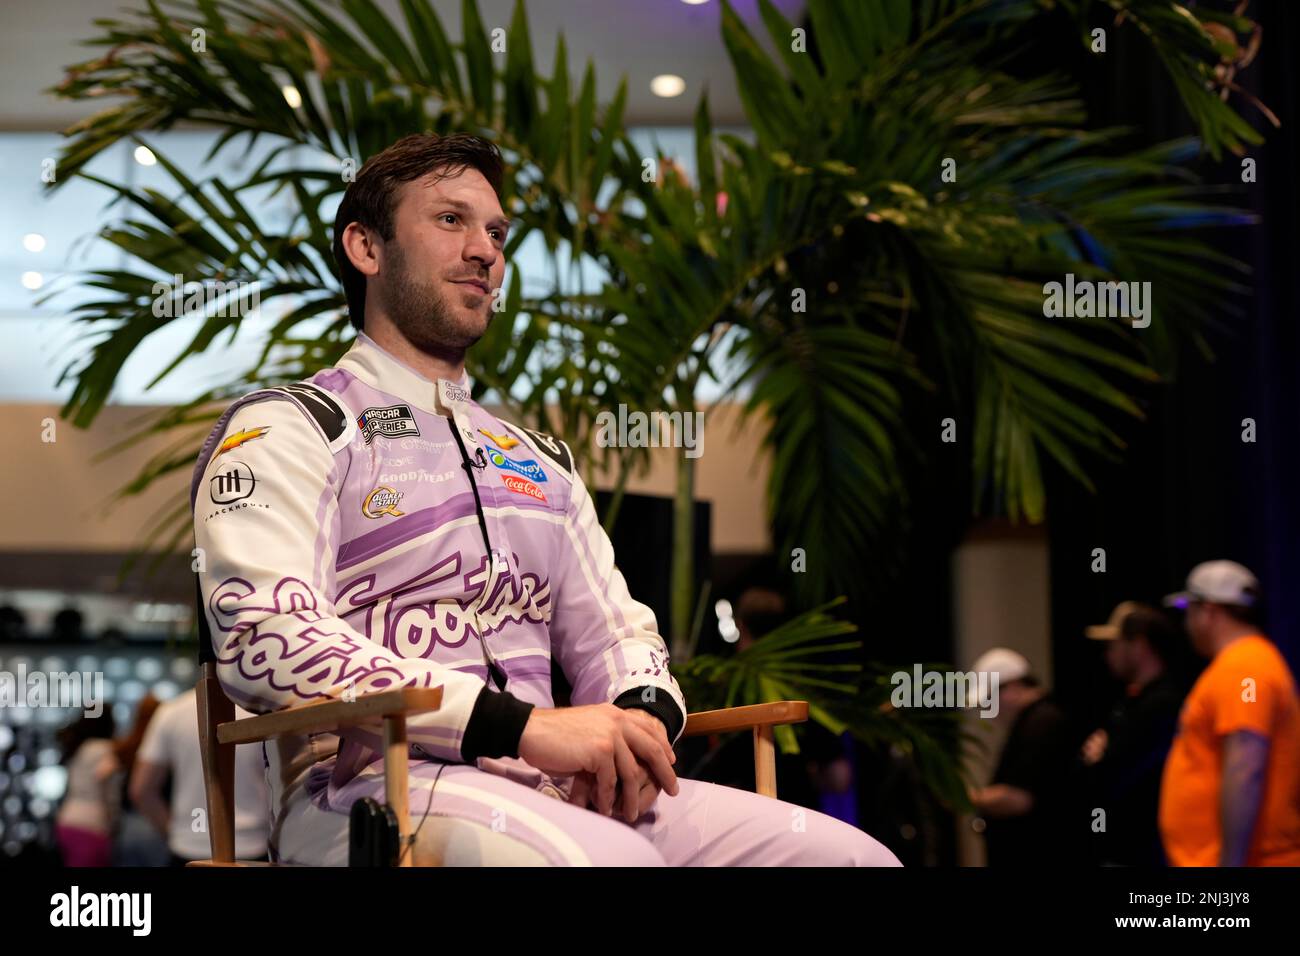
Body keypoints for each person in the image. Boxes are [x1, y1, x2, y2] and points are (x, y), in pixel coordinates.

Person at [189, 132, 899, 867]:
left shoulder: (539, 462)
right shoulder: (292, 427)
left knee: (852, 860)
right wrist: (518, 726)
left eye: (496, 231)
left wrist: (637, 723)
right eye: (451, 220)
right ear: (366, 248)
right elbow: (261, 632)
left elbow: (617, 634)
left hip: (557, 787)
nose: (485, 250)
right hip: (369, 786)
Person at [1159, 561, 1300, 866]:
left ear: (1208, 612)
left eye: (1189, 612)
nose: (1186, 624)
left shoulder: (1245, 669)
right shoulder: (1243, 665)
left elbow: (1245, 769)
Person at [1080, 602, 1185, 866]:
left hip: (1147, 852)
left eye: (1114, 645)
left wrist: (1102, 757)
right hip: (1123, 848)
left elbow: (1116, 773)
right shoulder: (1131, 701)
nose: (1108, 655)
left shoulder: (1164, 704)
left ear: (1138, 645)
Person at [131, 688, 270, 865]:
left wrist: (174, 831)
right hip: (254, 844)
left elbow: (141, 789)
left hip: (187, 844)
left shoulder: (172, 711)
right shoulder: (262, 710)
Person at [969, 648, 1077, 866]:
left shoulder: (1042, 724)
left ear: (1014, 686)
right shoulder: (1033, 721)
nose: (988, 709)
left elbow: (1019, 798)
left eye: (990, 698)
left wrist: (965, 796)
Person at [54, 712, 119, 867]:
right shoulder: (106, 749)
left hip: (67, 819)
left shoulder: (78, 746)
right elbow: (108, 791)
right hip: (92, 823)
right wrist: (114, 820)